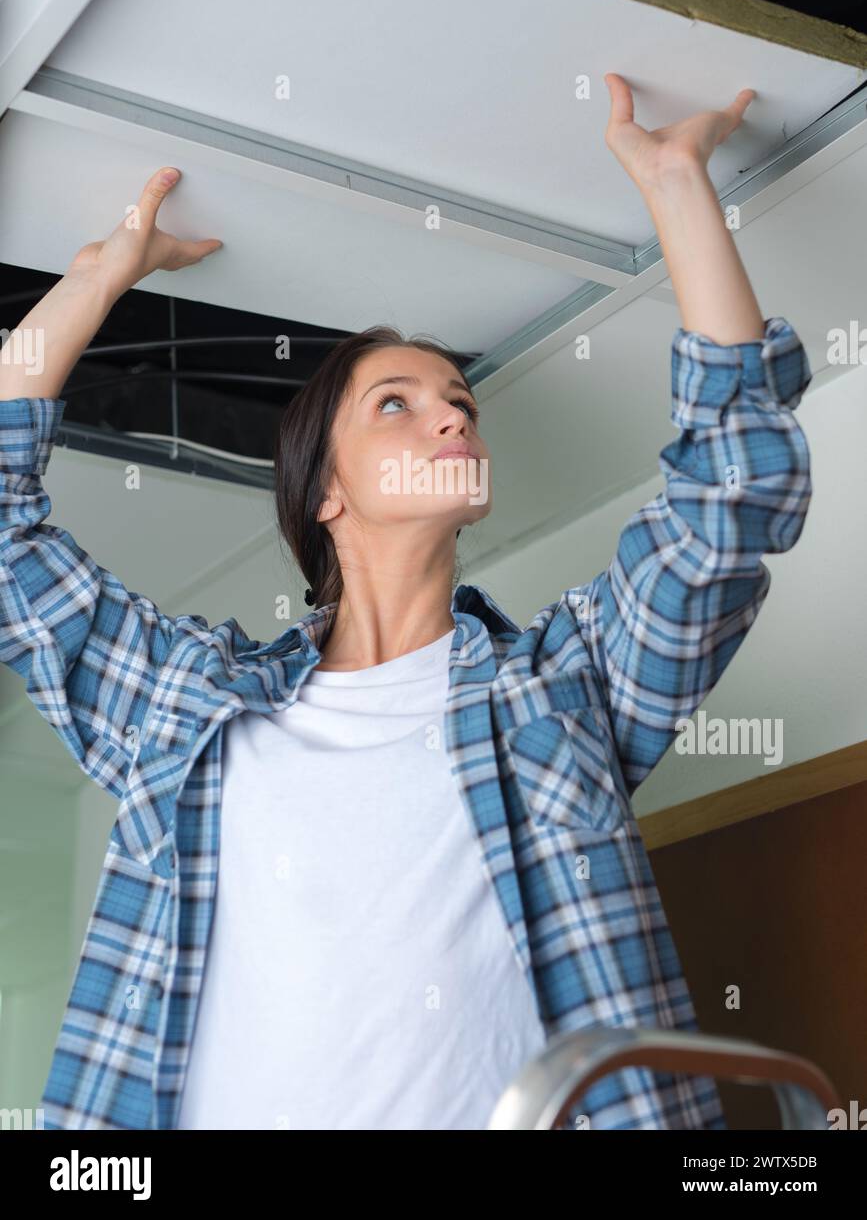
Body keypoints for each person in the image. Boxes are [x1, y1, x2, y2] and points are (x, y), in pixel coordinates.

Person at [0, 76, 812, 1129]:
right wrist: (97, 278)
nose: (451, 419)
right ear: (324, 492)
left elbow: (731, 495)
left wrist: (677, 186)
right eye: (399, 403)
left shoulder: (564, 686)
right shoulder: (179, 702)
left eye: (461, 403)